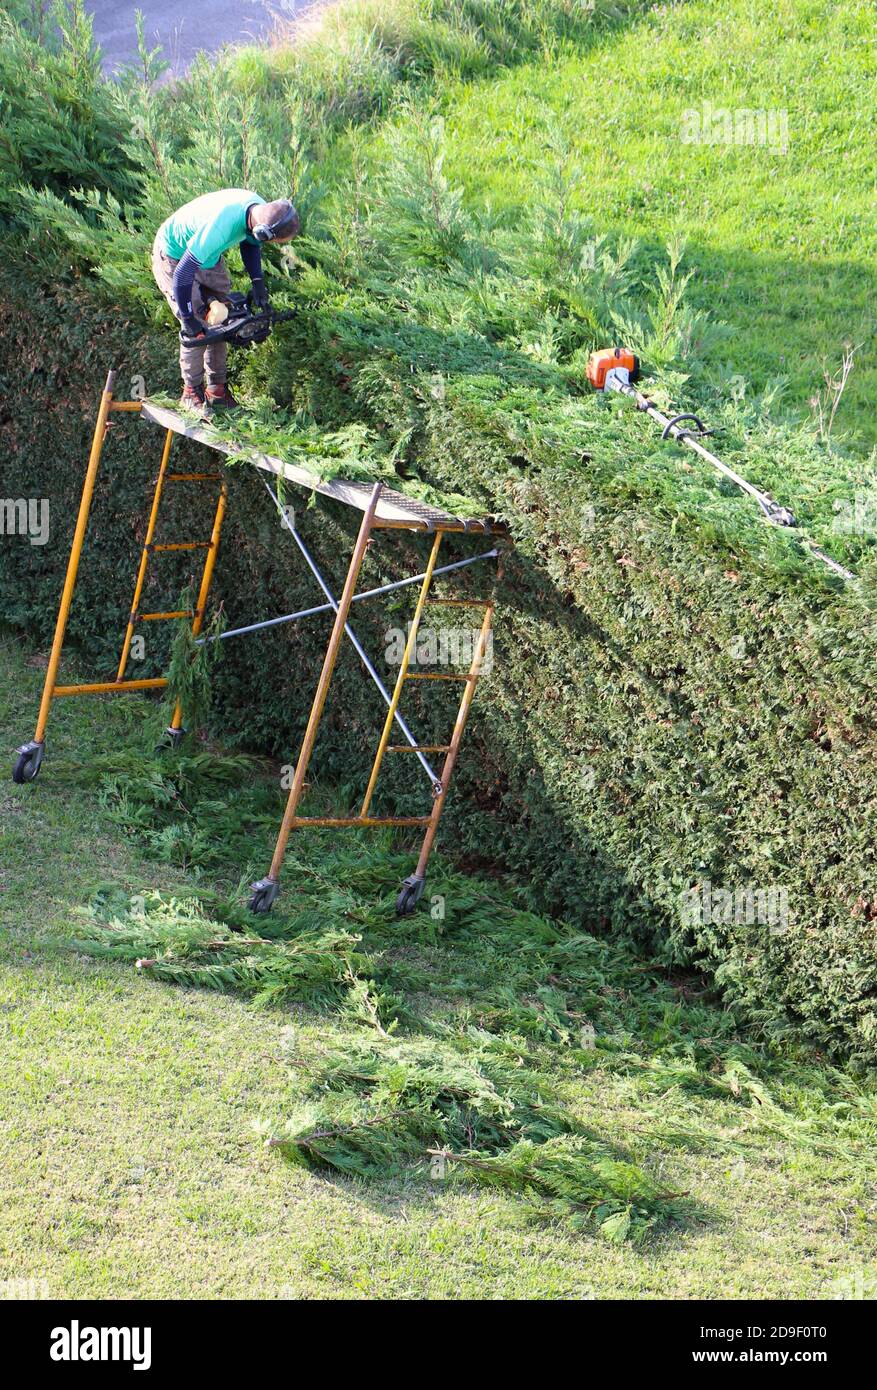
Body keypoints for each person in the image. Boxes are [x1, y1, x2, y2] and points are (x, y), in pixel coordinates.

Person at [151, 189, 300, 410]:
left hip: (207, 256)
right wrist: (188, 316)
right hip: (176, 257)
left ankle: (217, 391)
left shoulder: (258, 210)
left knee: (222, 321)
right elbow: (183, 272)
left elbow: (250, 245)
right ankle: (190, 393)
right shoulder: (220, 226)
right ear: (263, 232)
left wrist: (258, 282)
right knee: (198, 330)